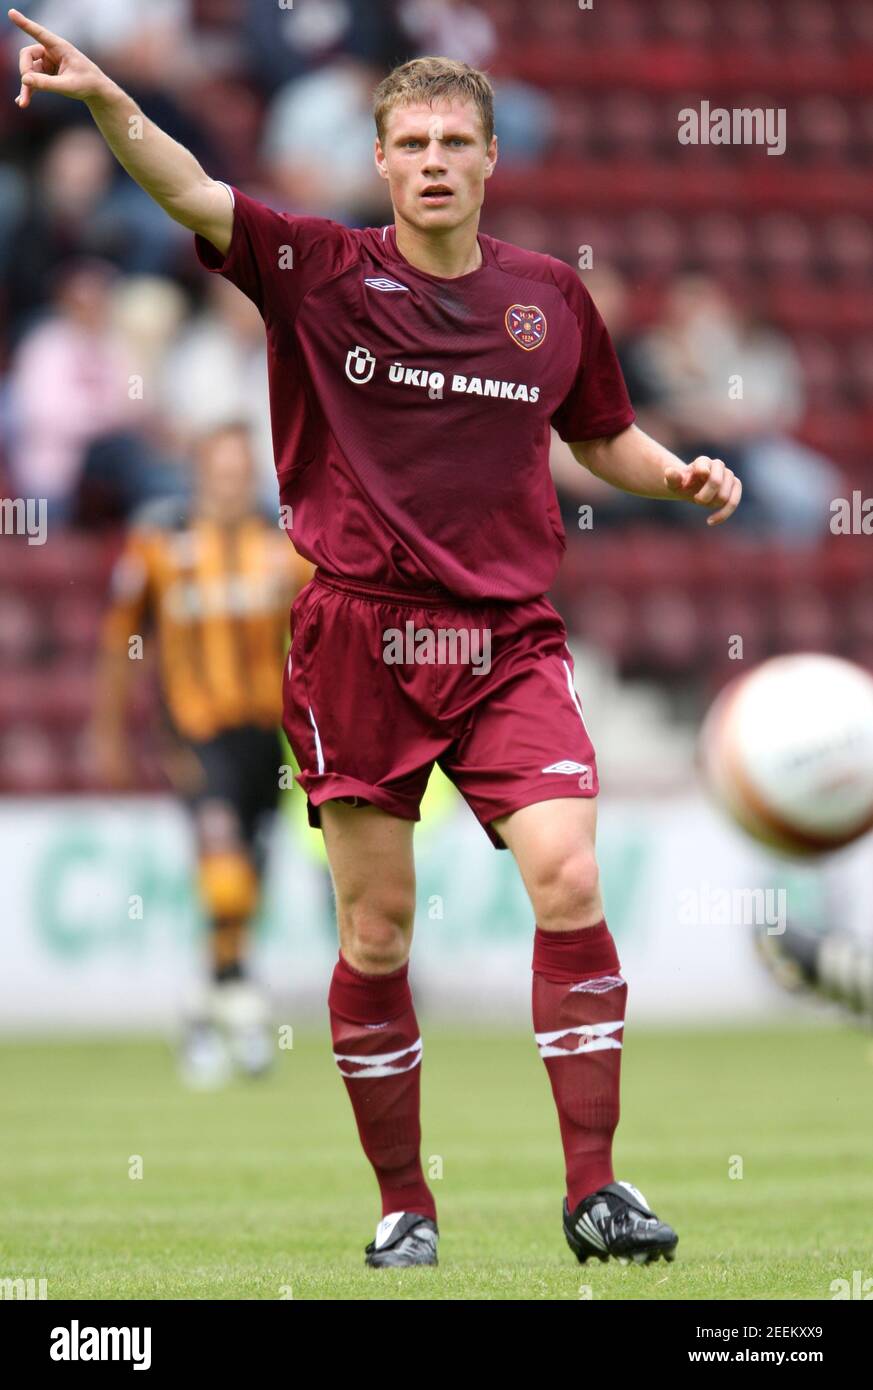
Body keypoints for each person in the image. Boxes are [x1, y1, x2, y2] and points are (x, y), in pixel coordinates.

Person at [11, 9, 743, 1266]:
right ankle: (406, 1203)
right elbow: (186, 186)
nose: (435, 160)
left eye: (457, 139)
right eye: (412, 142)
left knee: (566, 872)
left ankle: (595, 1188)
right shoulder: (317, 267)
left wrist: (675, 475)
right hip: (358, 640)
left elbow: (598, 432)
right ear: (384, 160)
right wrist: (103, 99)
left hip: (507, 635)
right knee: (378, 934)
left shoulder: (550, 298)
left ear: (491, 158)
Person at [91, 421, 312, 1086]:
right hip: (193, 732)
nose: (230, 480)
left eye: (240, 468)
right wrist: (108, 734)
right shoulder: (159, 544)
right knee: (222, 866)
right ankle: (244, 1014)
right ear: (197, 471)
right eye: (218, 467)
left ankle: (202, 1008)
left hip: (263, 741)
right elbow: (120, 640)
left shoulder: (281, 548)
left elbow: (318, 633)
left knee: (246, 885)